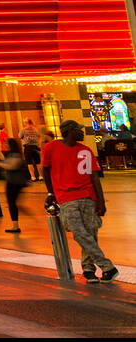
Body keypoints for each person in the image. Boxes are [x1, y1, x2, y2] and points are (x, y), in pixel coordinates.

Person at [43, 119, 117, 283]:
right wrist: (51, 192)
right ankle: (107, 266)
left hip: (88, 196)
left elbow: (95, 177)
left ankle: (88, 270)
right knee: (79, 232)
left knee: (90, 232)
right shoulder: (51, 148)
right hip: (66, 197)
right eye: (79, 130)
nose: (82, 132)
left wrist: (101, 201)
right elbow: (45, 170)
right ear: (70, 131)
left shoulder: (86, 150)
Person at [1, 137, 30, 234]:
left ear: (10, 145)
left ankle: (15, 226)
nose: (5, 145)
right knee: (12, 203)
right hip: (13, 182)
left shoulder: (15, 155)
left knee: (12, 203)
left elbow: (12, 166)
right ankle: (15, 224)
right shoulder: (12, 154)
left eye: (6, 143)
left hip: (14, 183)